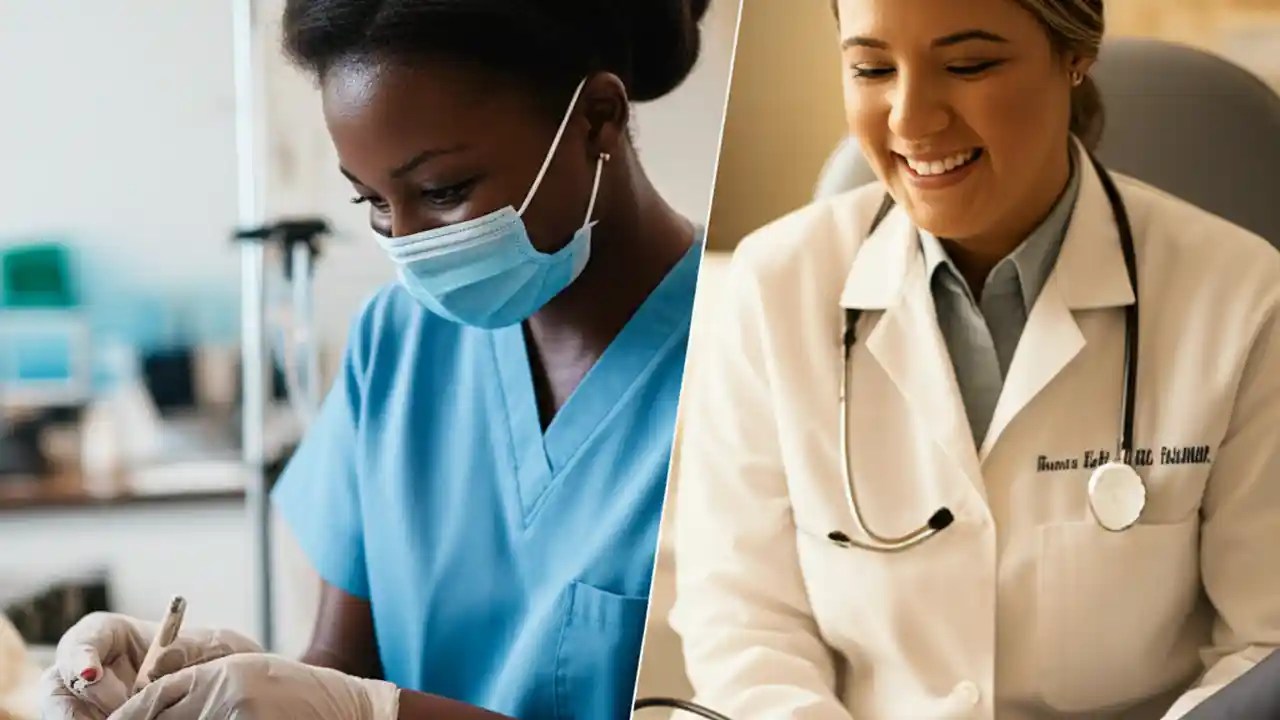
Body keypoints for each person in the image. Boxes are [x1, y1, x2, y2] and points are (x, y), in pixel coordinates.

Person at [41, 0, 711, 718]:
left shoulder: (727, 360)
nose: (409, 244)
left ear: (597, 119)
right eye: (372, 202)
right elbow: (341, 662)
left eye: (443, 191)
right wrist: (226, 679)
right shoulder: (397, 341)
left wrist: (368, 713)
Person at [667, 0, 1279, 718]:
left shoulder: (1244, 299)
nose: (909, 119)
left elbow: (1265, 644)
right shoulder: (775, 288)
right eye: (871, 68)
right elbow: (742, 623)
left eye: (968, 65)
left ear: (1074, 55)